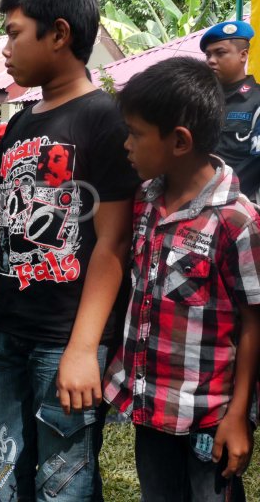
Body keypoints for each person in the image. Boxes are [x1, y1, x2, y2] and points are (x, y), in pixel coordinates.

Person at [0, 0, 139, 501]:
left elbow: (113, 242)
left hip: (65, 338)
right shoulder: (19, 125)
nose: (5, 48)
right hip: (5, 332)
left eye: (14, 33)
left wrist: (84, 348)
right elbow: (4, 227)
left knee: (63, 482)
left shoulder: (105, 120)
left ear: (59, 34)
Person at [104, 57, 260, 501]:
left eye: (135, 133)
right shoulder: (144, 202)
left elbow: (254, 322)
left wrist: (239, 415)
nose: (126, 145)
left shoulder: (237, 221)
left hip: (210, 415)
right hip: (151, 405)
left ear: (179, 141)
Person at [200, 20, 260, 200]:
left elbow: (256, 163)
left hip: (242, 203)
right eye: (208, 55)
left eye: (220, 53)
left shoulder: (256, 100)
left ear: (243, 55)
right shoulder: (201, 100)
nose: (211, 60)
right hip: (198, 197)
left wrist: (216, 192)